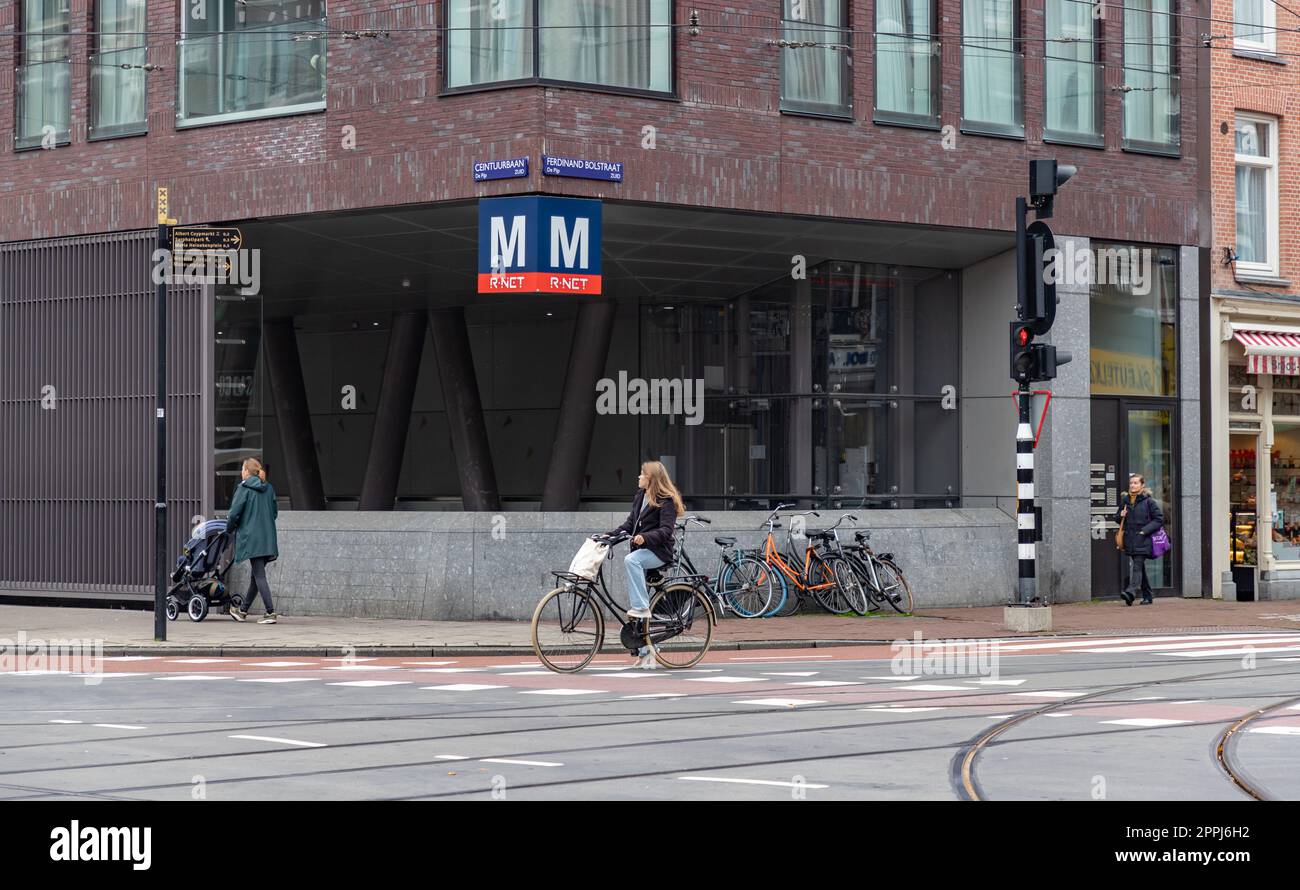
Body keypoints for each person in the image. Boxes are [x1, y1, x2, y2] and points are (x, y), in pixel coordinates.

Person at [609, 461, 683, 668]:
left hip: (660, 552)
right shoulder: (640, 497)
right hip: (644, 553)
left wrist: (645, 537)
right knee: (636, 591)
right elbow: (629, 525)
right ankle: (646, 651)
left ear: (651, 478)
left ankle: (641, 607)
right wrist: (608, 536)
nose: (638, 477)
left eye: (642, 474)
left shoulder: (666, 501)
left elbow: (666, 531)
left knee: (631, 561)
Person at [226, 458, 281, 624]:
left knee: (259, 575)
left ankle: (270, 612)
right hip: (267, 537)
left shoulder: (243, 488)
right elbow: (274, 513)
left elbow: (234, 513)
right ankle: (243, 611)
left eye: (243, 469)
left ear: (247, 471)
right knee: (256, 576)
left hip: (252, 538)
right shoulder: (269, 488)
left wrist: (229, 528)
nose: (241, 472)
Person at [1113, 473, 1165, 606]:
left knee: (1136, 566)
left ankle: (1130, 592)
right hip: (1130, 539)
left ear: (1142, 485)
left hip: (1143, 540)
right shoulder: (1125, 500)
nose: (1132, 485)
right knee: (1140, 567)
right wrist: (1120, 515)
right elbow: (1118, 519)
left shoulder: (1149, 501)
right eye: (1131, 483)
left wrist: (1144, 531)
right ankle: (1147, 595)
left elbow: (1159, 519)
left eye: (1136, 483)